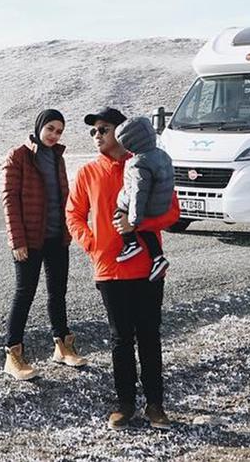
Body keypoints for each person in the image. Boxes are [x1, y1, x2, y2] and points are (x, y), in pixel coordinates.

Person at [66, 107, 180, 431]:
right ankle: (125, 404)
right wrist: (92, 244)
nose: (97, 135)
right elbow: (73, 215)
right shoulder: (88, 173)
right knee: (120, 339)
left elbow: (173, 211)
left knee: (149, 336)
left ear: (121, 131)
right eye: (93, 131)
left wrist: (138, 222)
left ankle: (155, 405)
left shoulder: (146, 161)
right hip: (110, 271)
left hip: (147, 267)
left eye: (103, 129)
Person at [1, 108, 88, 381]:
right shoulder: (19, 156)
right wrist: (17, 240)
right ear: (39, 126)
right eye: (50, 128)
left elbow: (64, 199)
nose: (54, 135)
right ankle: (13, 354)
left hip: (56, 237)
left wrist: (69, 231)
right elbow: (9, 200)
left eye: (59, 131)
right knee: (24, 293)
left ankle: (62, 345)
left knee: (58, 292)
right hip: (29, 239)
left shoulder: (58, 158)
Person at [113, 116, 173, 281]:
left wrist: (133, 221)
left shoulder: (138, 162)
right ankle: (158, 258)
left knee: (119, 213)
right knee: (148, 231)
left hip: (147, 205)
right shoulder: (162, 154)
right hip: (161, 203)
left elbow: (139, 191)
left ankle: (131, 243)